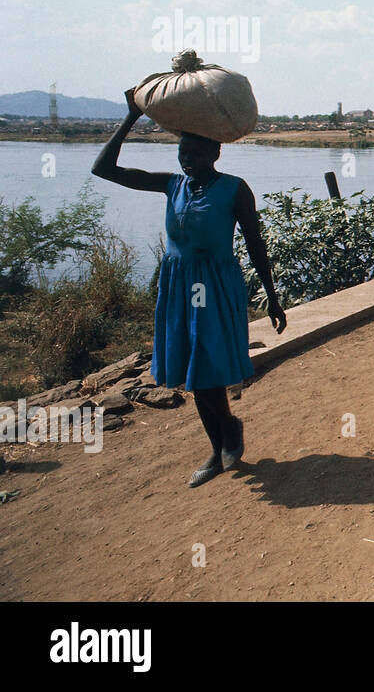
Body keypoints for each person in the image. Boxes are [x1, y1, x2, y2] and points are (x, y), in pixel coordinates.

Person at [92, 89, 287, 488]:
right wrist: (131, 117)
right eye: (182, 154)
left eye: (195, 155)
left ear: (214, 155)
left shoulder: (235, 189)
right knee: (192, 373)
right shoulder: (171, 186)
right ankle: (219, 448)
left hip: (215, 287)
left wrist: (272, 295)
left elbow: (255, 243)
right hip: (179, 287)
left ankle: (229, 430)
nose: (187, 162)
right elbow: (104, 168)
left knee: (207, 372)